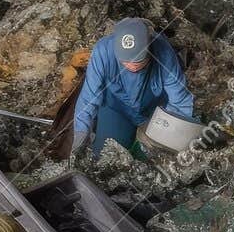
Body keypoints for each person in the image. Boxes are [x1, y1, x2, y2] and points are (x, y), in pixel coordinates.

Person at [72, 18, 196, 158]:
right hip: (117, 108)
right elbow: (88, 99)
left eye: (139, 59)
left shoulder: (163, 52)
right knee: (105, 158)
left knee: (154, 158)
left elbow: (179, 99)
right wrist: (80, 137)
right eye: (126, 61)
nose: (133, 65)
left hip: (154, 110)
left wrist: (172, 135)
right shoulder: (102, 51)